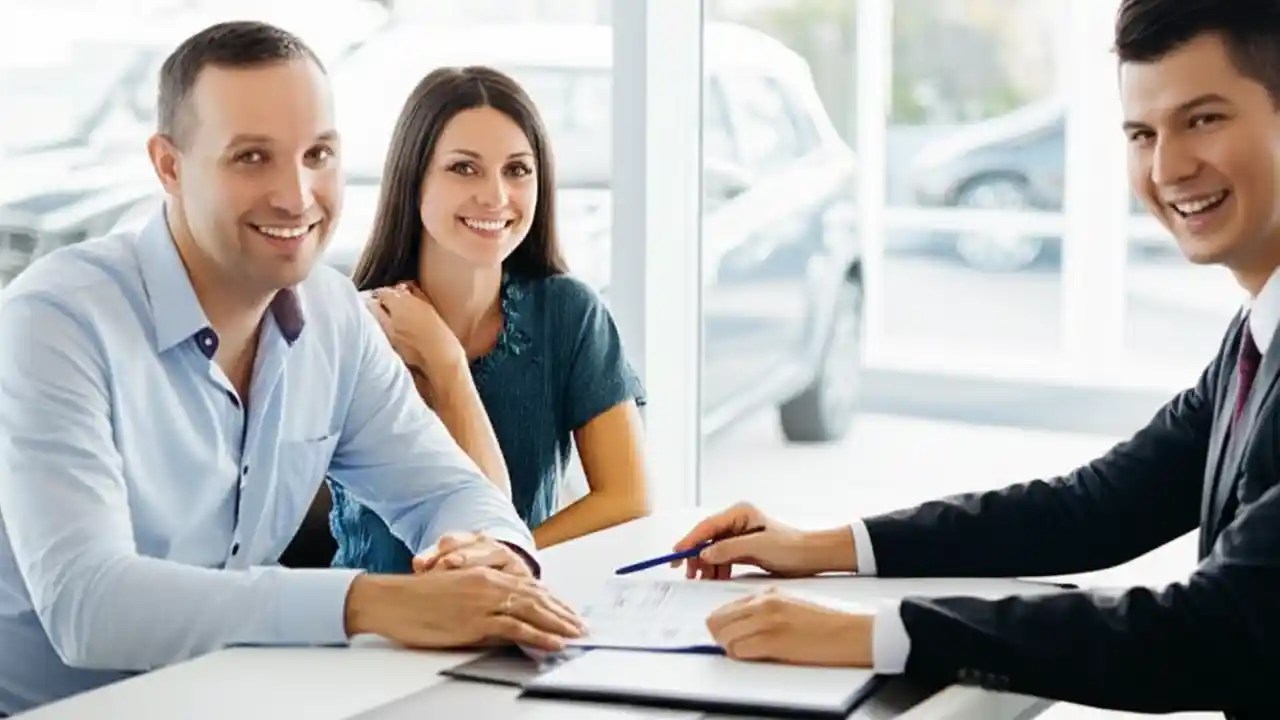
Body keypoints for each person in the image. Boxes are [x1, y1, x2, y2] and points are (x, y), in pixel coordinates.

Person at [673, 1, 1280, 717]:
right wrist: (820, 546)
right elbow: (1097, 507)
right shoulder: (1254, 335)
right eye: (1141, 133)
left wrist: (876, 633)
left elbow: (1204, 632)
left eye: (1203, 119)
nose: (1167, 166)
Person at [0, 22, 583, 716]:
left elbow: (450, 491)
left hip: (236, 699)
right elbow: (87, 604)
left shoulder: (333, 317)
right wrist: (373, 603)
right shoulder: (58, 317)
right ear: (169, 166)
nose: (298, 195)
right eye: (252, 157)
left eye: (319, 155)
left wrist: (491, 559)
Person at [327, 65, 649, 573]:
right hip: (377, 627)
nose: (496, 195)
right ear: (414, 180)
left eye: (517, 170)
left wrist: (509, 560)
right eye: (464, 168)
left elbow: (627, 500)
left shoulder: (570, 314)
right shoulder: (354, 327)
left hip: (517, 610)